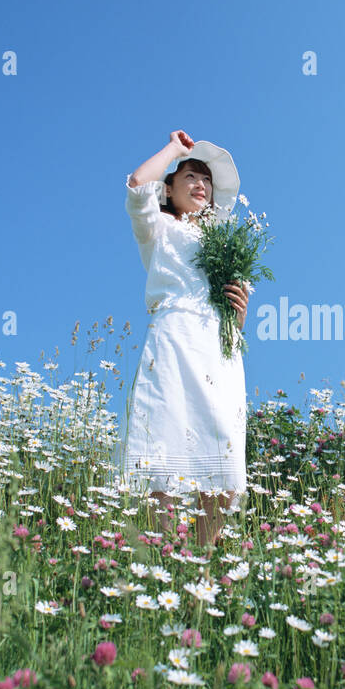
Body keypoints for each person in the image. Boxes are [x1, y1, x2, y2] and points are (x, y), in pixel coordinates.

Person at [115, 129, 250, 547]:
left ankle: (202, 561)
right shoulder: (159, 229)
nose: (200, 184)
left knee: (223, 457)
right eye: (189, 176)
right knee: (164, 445)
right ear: (169, 188)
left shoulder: (224, 243)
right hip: (174, 338)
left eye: (206, 179)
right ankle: (160, 556)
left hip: (219, 348)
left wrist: (239, 313)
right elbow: (138, 185)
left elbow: (236, 308)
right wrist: (175, 149)